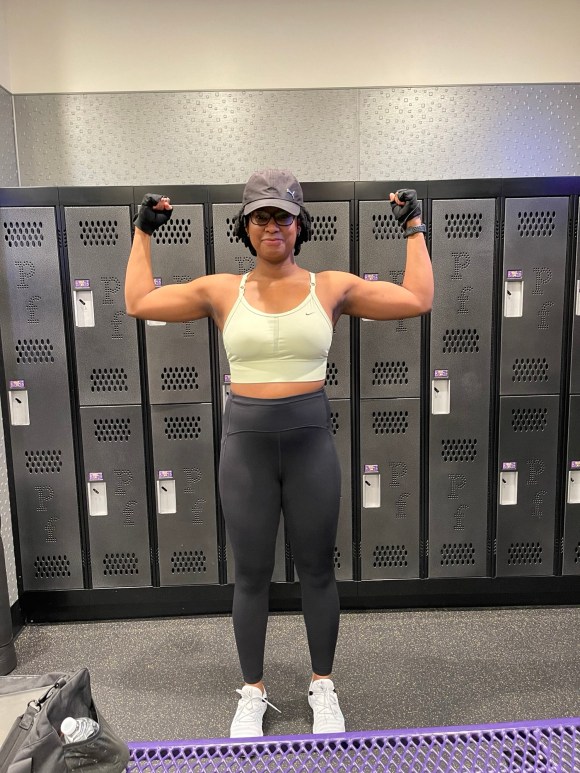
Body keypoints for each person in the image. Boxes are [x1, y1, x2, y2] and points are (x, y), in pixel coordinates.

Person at [125, 169, 433, 738]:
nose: (273, 226)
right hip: (246, 447)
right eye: (261, 217)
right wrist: (143, 232)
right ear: (246, 226)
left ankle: (323, 686)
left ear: (299, 225)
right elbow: (139, 301)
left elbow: (418, 298)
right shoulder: (222, 290)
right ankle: (252, 692)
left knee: (317, 569)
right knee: (251, 575)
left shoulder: (331, 286)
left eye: (283, 216)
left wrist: (413, 227)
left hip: (310, 440)